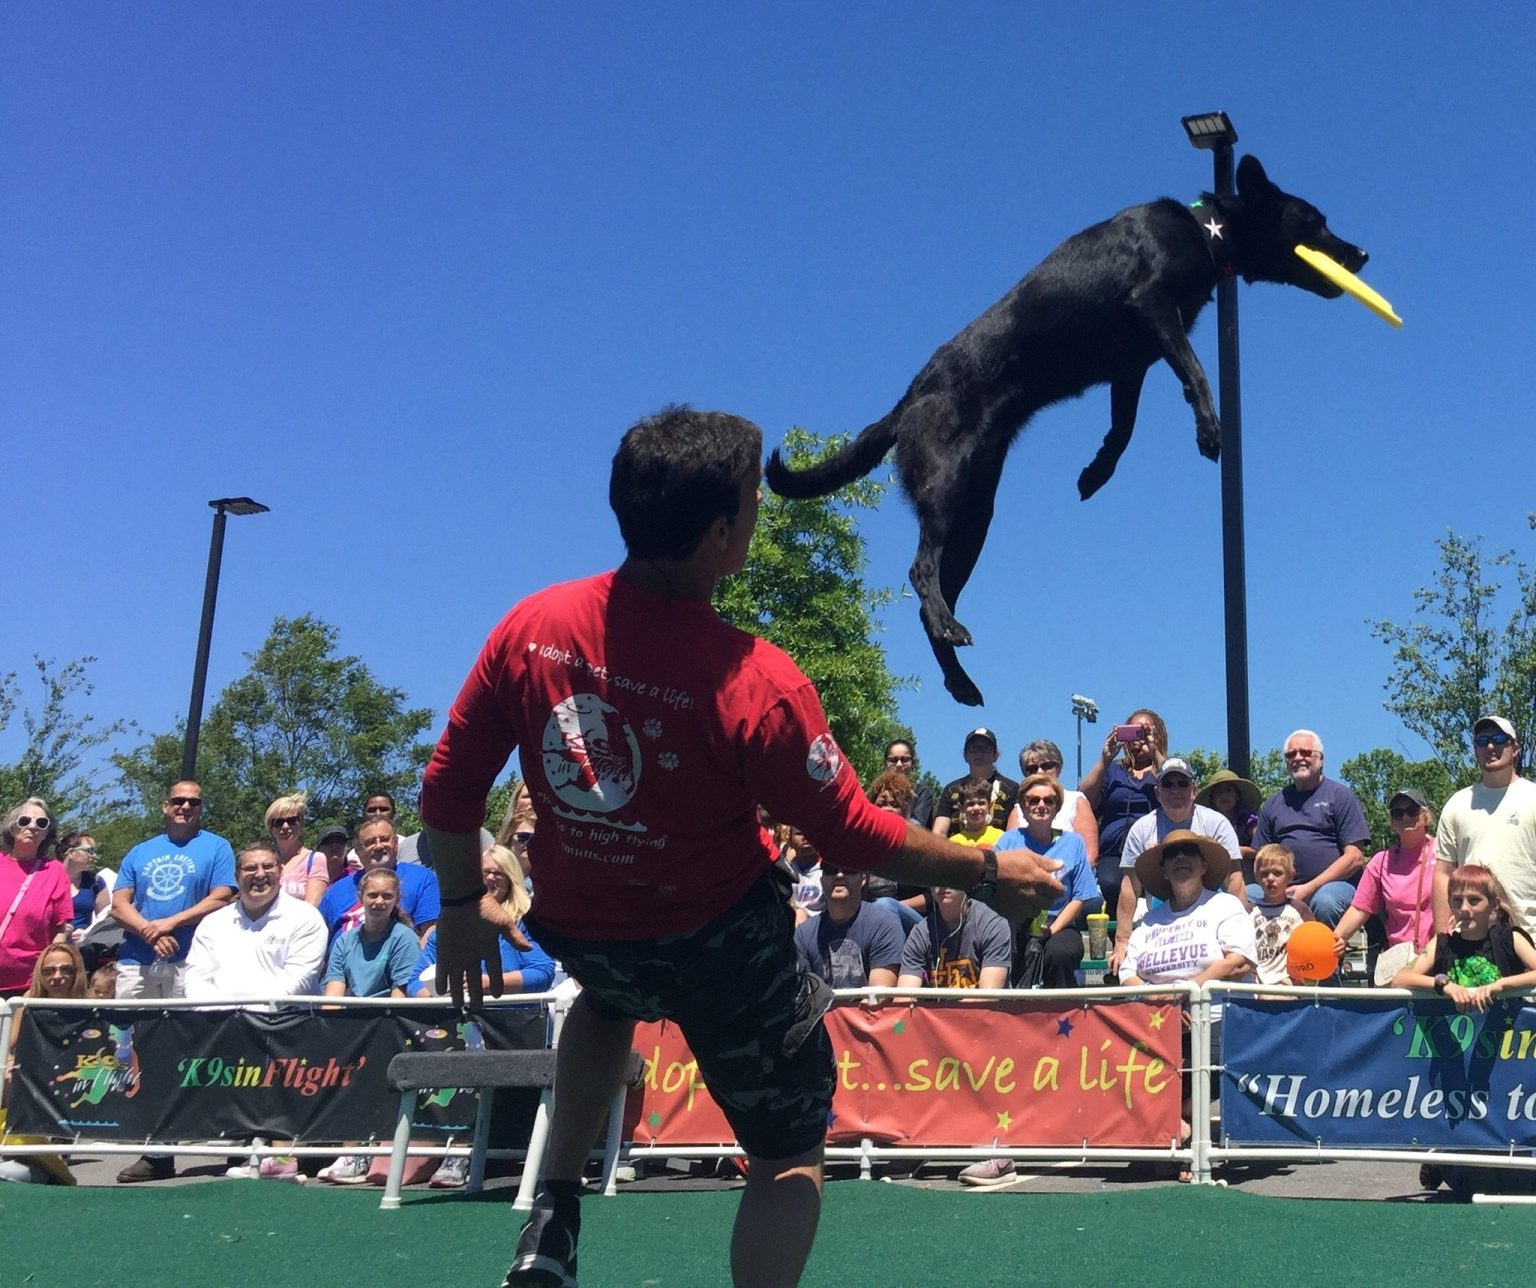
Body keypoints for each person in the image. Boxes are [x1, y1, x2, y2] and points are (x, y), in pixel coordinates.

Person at [417, 407, 1060, 1288]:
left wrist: (458, 909)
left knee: (606, 1003)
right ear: (723, 534)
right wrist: (989, 868)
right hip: (718, 946)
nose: (760, 510)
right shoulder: (756, 680)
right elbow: (854, 833)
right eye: (754, 500)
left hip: (588, 926)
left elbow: (447, 793)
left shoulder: (531, 627)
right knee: (789, 1154)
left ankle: (553, 1217)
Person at [108, 780, 236, 1183]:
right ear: (165, 806)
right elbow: (118, 904)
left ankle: (213, 1139)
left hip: (190, 962)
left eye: (193, 802)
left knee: (191, 1051)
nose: (185, 807)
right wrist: (150, 931)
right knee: (136, 1052)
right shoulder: (140, 851)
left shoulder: (216, 847)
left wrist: (172, 923)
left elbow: (222, 895)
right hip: (137, 962)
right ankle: (154, 1151)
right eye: (178, 801)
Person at [1122, 829, 1258, 1181]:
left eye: (1189, 852)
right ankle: (1178, 1134)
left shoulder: (1224, 905)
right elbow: (1127, 974)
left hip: (1217, 1019)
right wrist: (1166, 1003)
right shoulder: (1150, 920)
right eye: (1172, 855)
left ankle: (1185, 1136)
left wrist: (1189, 992)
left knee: (1201, 1067)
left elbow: (1240, 961)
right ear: (1164, 870)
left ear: (1202, 865)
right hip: (1159, 1023)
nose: (1181, 858)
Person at [316, 867, 423, 1186]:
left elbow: (400, 993)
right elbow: (334, 991)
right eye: (372, 895)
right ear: (360, 898)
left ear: (396, 900)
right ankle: (352, 1150)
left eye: (386, 896)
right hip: (354, 1023)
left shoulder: (403, 938)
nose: (378, 901)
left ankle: (365, 1152)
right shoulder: (346, 941)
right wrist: (334, 1030)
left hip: (389, 1025)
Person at [1110, 758, 1243, 974]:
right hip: (1161, 921)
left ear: (1194, 790)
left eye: (1182, 783)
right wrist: (1122, 941)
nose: (1175, 790)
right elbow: (1130, 887)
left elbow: (1234, 879)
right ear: (1157, 792)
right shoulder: (1141, 829)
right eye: (1167, 784)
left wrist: (1239, 928)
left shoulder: (1217, 823)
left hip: (1212, 917)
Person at [1251, 730, 1370, 927]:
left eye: (1306, 752)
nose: (1298, 758)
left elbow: (1355, 857)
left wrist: (1309, 888)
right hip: (1278, 887)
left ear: (1321, 759)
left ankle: (1326, 957)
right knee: (1245, 896)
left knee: (1325, 902)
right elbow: (1260, 856)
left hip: (1332, 886)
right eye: (1291, 754)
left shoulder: (1341, 797)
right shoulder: (1273, 804)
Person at [184, 842, 328, 1003]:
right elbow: (196, 978)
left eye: (267, 867)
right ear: (236, 876)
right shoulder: (211, 924)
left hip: (284, 1021)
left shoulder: (306, 918)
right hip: (219, 1022)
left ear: (280, 871)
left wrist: (252, 1013)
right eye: (250, 868)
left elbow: (298, 980)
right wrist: (211, 1015)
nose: (260, 874)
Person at [1433, 716, 1536, 933]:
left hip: (1530, 933)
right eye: (1482, 741)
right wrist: (1443, 937)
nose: (1490, 746)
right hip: (1471, 939)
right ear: (1475, 750)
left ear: (1515, 748)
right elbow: (1443, 873)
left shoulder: (1532, 797)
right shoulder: (1457, 804)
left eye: (1499, 739)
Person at [995, 773, 1098, 986]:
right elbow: (995, 887)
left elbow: (1079, 897)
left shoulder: (1074, 843)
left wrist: (1052, 930)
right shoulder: (1008, 841)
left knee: (1061, 953)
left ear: (1056, 807)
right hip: (1016, 922)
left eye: (1048, 800)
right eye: (1033, 800)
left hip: (1059, 923)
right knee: (1005, 945)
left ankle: (1060, 1013)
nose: (1041, 805)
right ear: (1023, 807)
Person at [0, 942, 86, 1185]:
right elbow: (10, 1043)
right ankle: (14, 1147)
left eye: (65, 970)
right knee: (7, 1075)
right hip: (36, 1068)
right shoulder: (28, 999)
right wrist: (9, 1062)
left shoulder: (91, 1003)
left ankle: (54, 1151)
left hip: (75, 1070)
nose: (57, 977)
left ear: (76, 972)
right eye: (49, 971)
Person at [1393, 864, 1536, 1010]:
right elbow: (1400, 979)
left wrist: (1501, 984)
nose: (1464, 909)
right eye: (1457, 901)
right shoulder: (1442, 943)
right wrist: (1444, 986)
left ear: (1494, 905)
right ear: (1449, 903)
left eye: (1474, 900)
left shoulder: (1511, 939)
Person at [1332, 788, 1437, 984]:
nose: (1405, 816)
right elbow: (1360, 908)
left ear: (1426, 817)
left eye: (1412, 810)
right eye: (1398, 813)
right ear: (1392, 822)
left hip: (1440, 954)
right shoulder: (1381, 862)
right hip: (1401, 959)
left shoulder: (1445, 852)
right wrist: (1337, 938)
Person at [1080, 708, 1165, 916]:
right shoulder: (1114, 771)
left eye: (1143, 731)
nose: (1138, 740)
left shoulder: (1167, 770)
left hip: (1156, 849)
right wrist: (1105, 759)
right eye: (1133, 732)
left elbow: (1181, 791)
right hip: (1114, 853)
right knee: (1110, 883)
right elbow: (1084, 800)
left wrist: (1156, 754)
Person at [318, 818, 439, 944]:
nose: (378, 846)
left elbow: (431, 932)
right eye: (370, 842)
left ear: (396, 843)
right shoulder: (336, 891)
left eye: (385, 839)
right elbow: (319, 938)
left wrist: (420, 964)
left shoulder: (422, 878)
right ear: (358, 850)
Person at [0, 799, 73, 999]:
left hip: (29, 983)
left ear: (46, 834)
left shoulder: (55, 871)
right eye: (25, 821)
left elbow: (60, 928)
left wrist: (46, 976)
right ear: (13, 827)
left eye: (41, 823)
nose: (32, 827)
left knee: (18, 1031)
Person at [792, 867, 905, 992]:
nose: (839, 875)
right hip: (822, 1011)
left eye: (848, 869)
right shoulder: (803, 934)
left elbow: (879, 997)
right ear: (822, 880)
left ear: (862, 879)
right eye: (831, 870)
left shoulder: (884, 923)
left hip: (866, 1010)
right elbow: (804, 994)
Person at [895, 885, 1013, 990]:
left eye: (949, 876)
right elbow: (905, 998)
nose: (942, 884)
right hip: (937, 1014)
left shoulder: (992, 926)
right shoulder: (921, 932)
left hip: (983, 1014)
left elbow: (988, 999)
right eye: (935, 878)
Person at [1003, 740, 1100, 866]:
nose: (1040, 772)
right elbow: (1011, 854)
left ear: (1058, 768)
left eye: (1046, 766)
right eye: (1032, 769)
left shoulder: (1076, 801)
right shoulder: (1019, 810)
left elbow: (1089, 855)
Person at [1248, 844, 1314, 985]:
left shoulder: (1300, 910)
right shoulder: (1251, 911)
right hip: (1257, 982)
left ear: (1290, 876)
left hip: (1288, 982)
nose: (1270, 878)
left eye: (1277, 873)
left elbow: (1314, 943)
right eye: (1264, 873)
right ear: (1257, 877)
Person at [933, 728, 1018, 837]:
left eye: (985, 749)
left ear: (995, 755)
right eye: (973, 748)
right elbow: (939, 832)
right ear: (965, 756)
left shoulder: (1011, 789)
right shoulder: (952, 790)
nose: (979, 753)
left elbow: (1013, 833)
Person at [265, 793, 329, 906]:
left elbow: (311, 908)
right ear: (270, 828)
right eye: (278, 822)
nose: (285, 827)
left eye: (292, 821)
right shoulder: (264, 863)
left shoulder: (315, 860)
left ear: (301, 823)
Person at [1196, 768, 1260, 873]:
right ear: (1212, 799)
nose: (1224, 796)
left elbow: (1265, 849)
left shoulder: (1248, 820)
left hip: (1248, 877)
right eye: (1219, 792)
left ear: (1237, 795)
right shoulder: (1206, 823)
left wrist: (1243, 852)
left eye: (1228, 790)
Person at [58, 832, 113, 939]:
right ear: (71, 852)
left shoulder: (96, 882)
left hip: (82, 949)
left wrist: (87, 933)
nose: (94, 856)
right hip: (48, 947)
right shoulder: (47, 879)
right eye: (89, 851)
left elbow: (105, 919)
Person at [881, 739, 934, 828]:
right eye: (893, 760)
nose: (899, 764)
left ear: (913, 763)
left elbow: (917, 826)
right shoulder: (876, 793)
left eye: (905, 759)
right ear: (885, 763)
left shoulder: (922, 793)